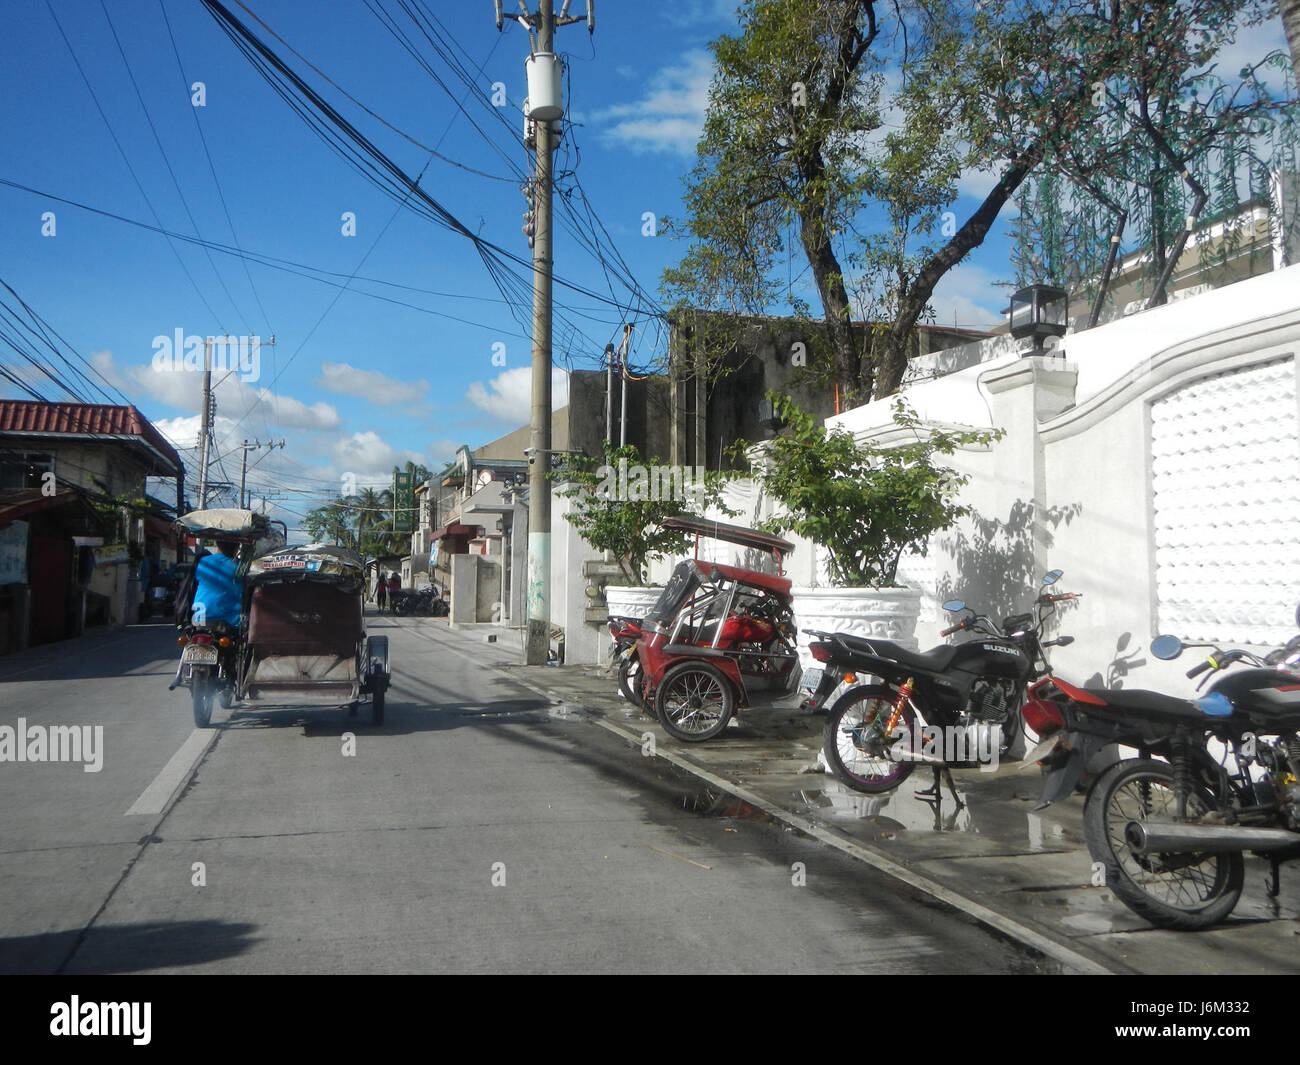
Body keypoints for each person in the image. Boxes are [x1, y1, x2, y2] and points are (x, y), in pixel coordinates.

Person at [191, 539, 242, 628]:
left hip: (200, 616)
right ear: (237, 547)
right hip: (230, 620)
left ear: (217, 544)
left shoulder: (204, 561)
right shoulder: (241, 566)